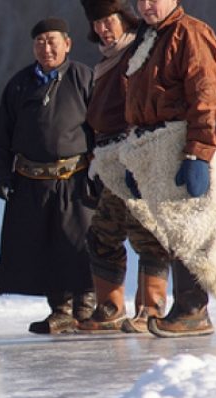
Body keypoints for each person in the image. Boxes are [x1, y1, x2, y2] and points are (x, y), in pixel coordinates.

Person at [91, 0, 216, 338]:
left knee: (189, 229)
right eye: (141, 0)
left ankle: (192, 310)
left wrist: (198, 153)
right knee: (171, 228)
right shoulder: (150, 36)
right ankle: (184, 308)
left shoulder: (190, 33)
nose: (146, 5)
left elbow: (205, 97)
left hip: (179, 143)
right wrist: (134, 157)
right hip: (152, 148)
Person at [0, 18, 98, 334]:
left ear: (67, 44)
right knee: (46, 246)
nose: (46, 48)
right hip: (31, 181)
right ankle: (60, 310)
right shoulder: (20, 84)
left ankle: (87, 308)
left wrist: (102, 171)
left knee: (78, 244)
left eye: (52, 41)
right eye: (40, 42)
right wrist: (0, 176)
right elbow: (0, 135)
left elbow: (101, 128)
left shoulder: (83, 78)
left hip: (76, 179)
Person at [76, 0, 169, 334]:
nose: (103, 29)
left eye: (109, 21)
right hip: (109, 160)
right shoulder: (107, 59)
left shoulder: (139, 51)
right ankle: (110, 308)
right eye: (97, 23)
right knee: (102, 234)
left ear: (124, 19)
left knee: (146, 233)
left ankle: (151, 311)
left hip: (136, 155)